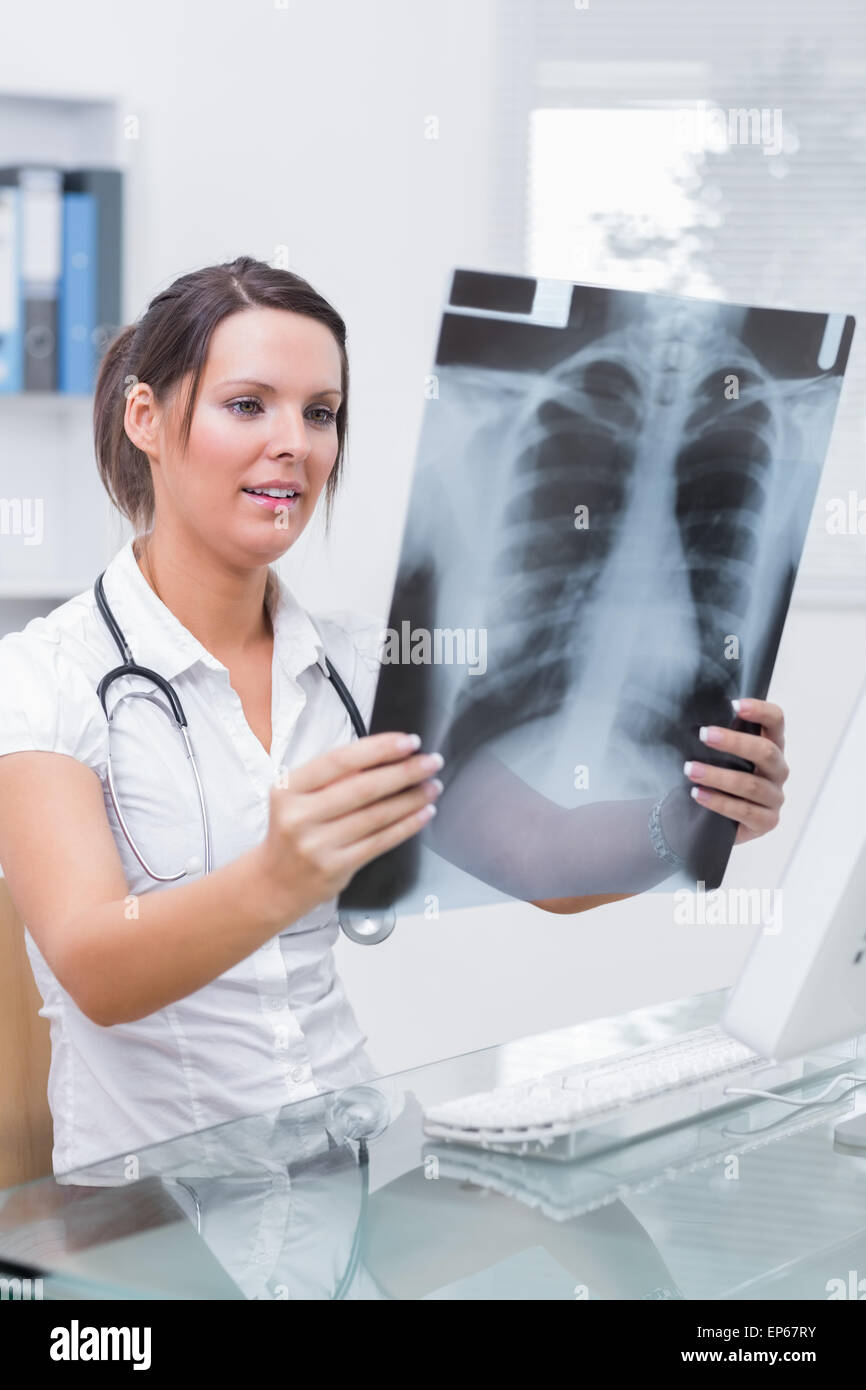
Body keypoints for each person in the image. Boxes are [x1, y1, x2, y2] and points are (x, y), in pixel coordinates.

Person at [0, 256, 789, 1177]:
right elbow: (97, 965)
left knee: (603, 1218)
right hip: (155, 1214)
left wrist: (693, 816)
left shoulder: (359, 667)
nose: (293, 442)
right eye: (248, 405)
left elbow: (542, 856)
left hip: (352, 1164)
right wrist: (278, 877)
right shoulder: (43, 674)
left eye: (320, 412)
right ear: (147, 419)